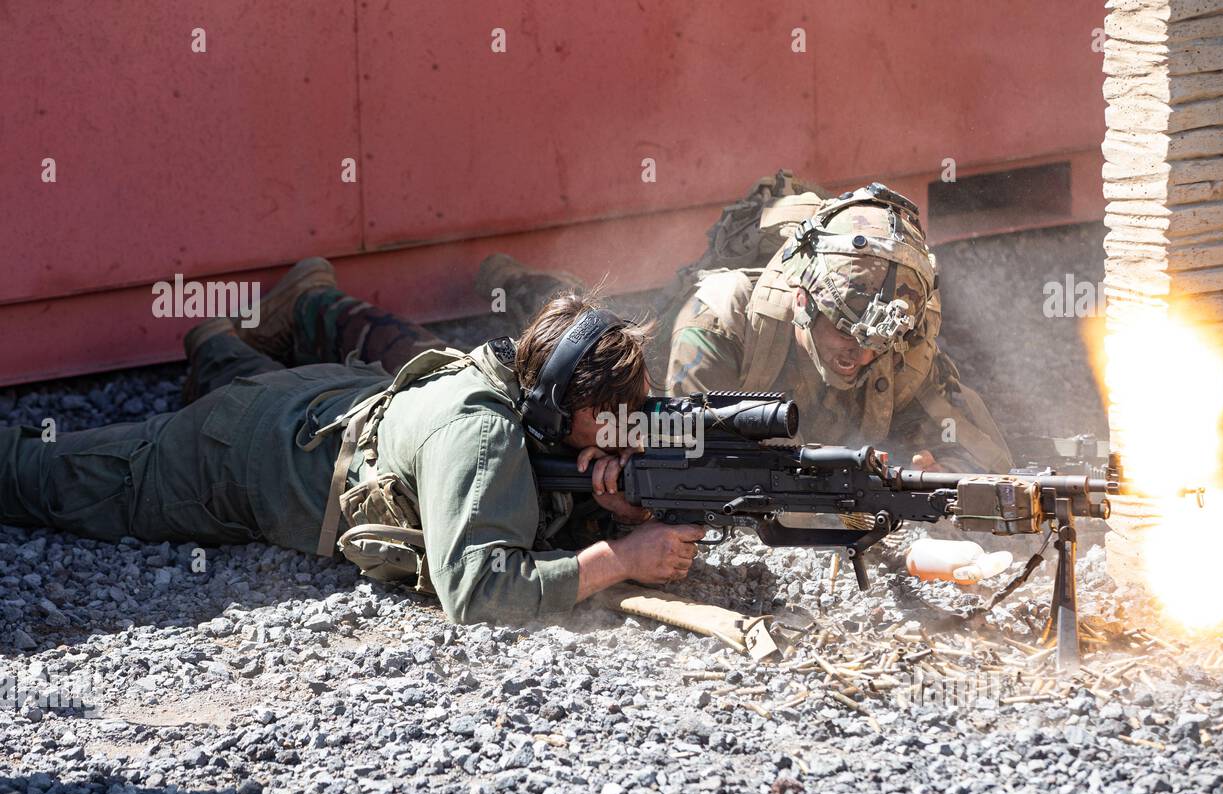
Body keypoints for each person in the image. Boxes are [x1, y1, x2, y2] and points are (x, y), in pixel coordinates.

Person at [0, 283, 704, 625]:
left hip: (324, 403)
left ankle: (216, 348)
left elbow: (515, 502)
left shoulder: (524, 384)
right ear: (569, 405)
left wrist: (605, 508)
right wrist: (622, 557)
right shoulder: (481, 434)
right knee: (49, 478)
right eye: (617, 415)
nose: (634, 425)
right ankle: (215, 360)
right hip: (242, 458)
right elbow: (479, 591)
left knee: (246, 391)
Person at [479, 177, 1016, 474]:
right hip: (651, 337)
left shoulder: (897, 333)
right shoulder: (716, 324)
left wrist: (938, 466)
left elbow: (986, 452)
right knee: (564, 329)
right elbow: (689, 453)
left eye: (877, 343)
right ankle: (514, 281)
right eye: (845, 334)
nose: (862, 356)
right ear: (804, 301)